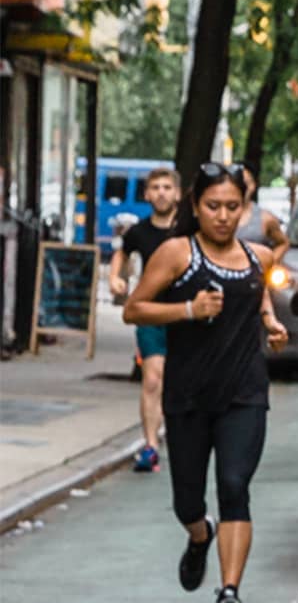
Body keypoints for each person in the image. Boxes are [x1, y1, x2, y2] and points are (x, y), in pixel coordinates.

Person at [123, 164, 289, 603]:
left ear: (245, 208)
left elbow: (260, 304)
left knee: (236, 485)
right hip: (189, 395)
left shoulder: (257, 257)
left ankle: (229, 594)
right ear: (195, 207)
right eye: (213, 206)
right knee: (187, 502)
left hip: (244, 394)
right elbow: (135, 307)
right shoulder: (178, 253)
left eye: (232, 207)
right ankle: (200, 535)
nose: (222, 216)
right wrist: (189, 310)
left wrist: (272, 327)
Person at [109, 166, 181, 472]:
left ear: (177, 193)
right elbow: (121, 254)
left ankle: (183, 441)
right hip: (150, 312)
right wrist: (115, 278)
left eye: (167, 187)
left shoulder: (187, 231)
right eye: (156, 187)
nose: (162, 192)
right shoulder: (139, 231)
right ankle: (150, 445)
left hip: (185, 313)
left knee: (180, 383)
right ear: (147, 194)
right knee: (153, 379)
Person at [236, 173, 290, 264]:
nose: (242, 189)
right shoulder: (214, 217)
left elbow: (283, 243)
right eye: (237, 183)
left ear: (253, 185)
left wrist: (269, 263)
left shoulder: (266, 218)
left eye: (245, 184)